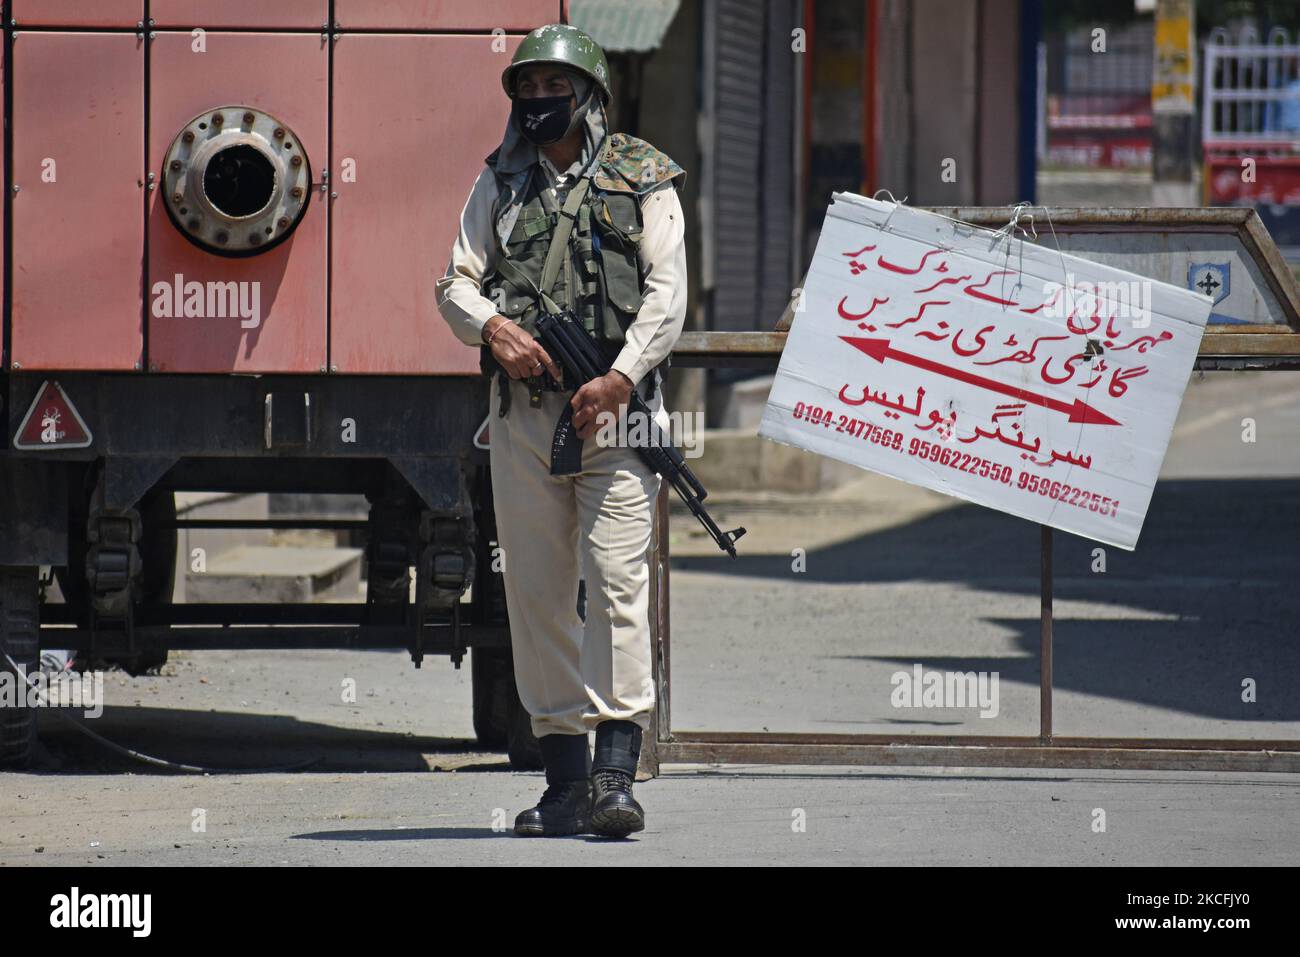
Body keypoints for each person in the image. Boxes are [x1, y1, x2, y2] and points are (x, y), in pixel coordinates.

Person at [435, 23, 687, 838]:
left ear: (589, 96)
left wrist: (620, 375)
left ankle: (616, 774)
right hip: (524, 420)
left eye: (554, 90)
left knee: (618, 588)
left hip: (613, 412)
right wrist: (490, 330)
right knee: (537, 595)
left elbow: (668, 292)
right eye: (527, 92)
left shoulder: (642, 175)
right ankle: (565, 783)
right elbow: (455, 281)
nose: (540, 104)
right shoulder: (499, 179)